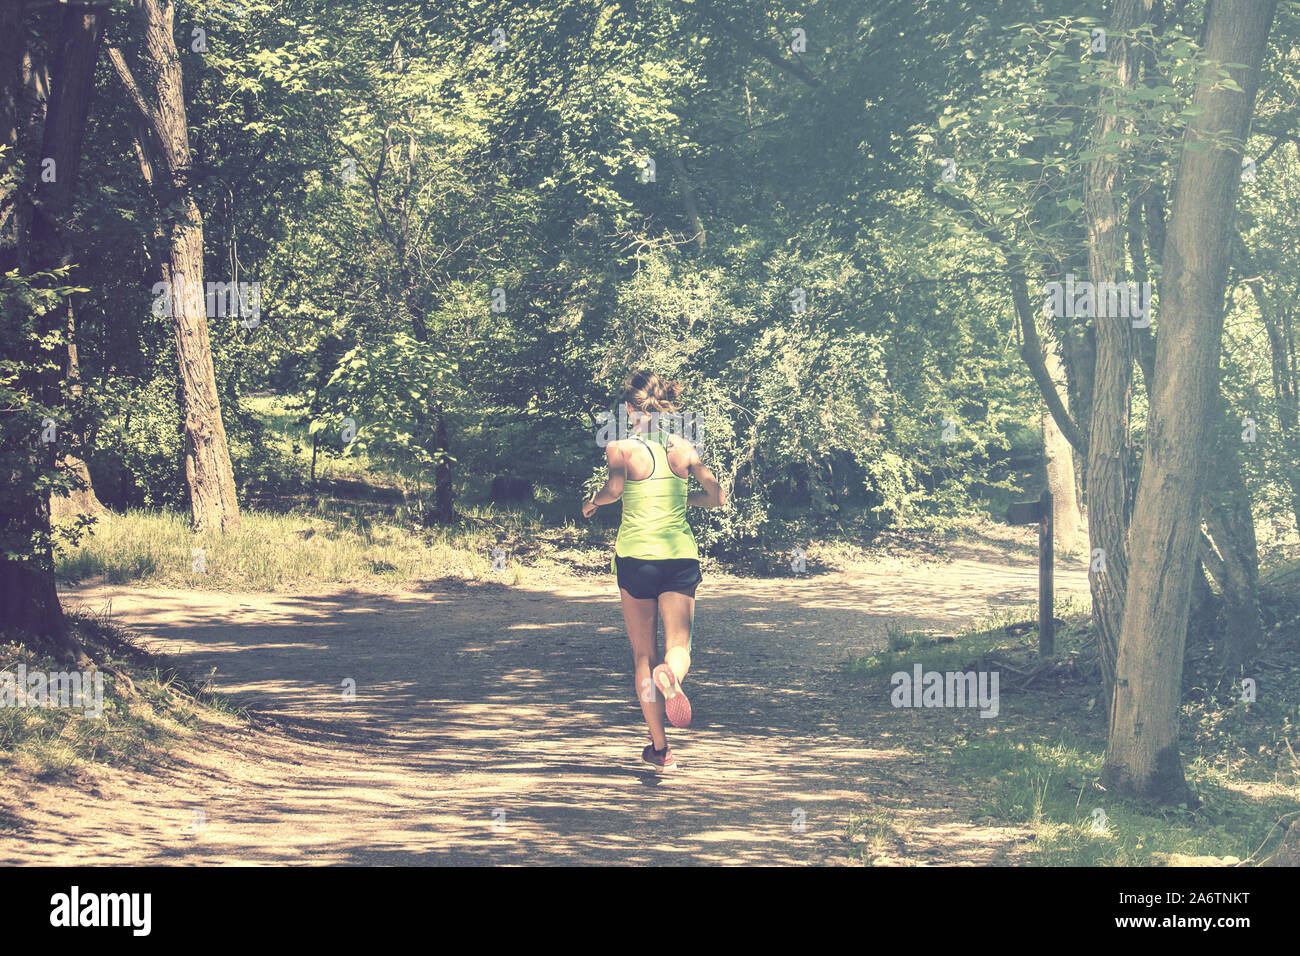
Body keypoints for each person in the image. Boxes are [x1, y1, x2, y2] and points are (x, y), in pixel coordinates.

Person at [582, 370, 726, 771]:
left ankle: (660, 749)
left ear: (629, 409)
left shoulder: (620, 448)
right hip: (679, 559)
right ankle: (672, 675)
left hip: (637, 560)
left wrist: (591, 503)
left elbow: (614, 491)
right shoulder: (683, 448)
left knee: (643, 655)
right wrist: (685, 500)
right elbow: (718, 496)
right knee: (679, 648)